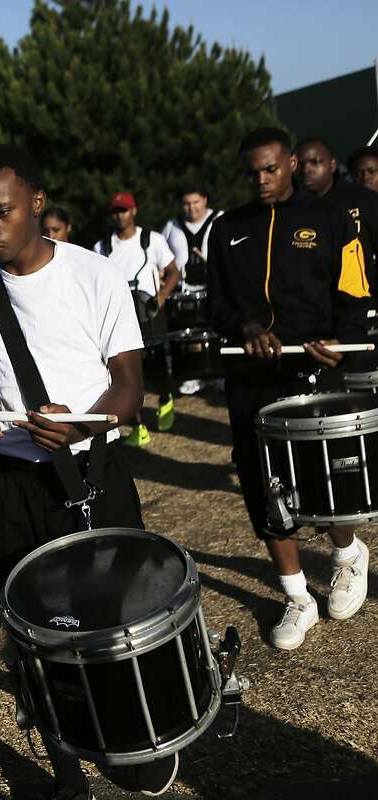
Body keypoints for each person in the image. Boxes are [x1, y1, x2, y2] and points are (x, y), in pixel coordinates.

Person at [0, 144, 173, 799]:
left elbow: (128, 385)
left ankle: (132, 741)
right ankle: (67, 771)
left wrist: (83, 426)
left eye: (2, 211)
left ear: (37, 203)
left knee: (118, 620)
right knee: (34, 638)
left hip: (93, 471)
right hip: (13, 488)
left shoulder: (93, 275)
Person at [208, 127, 371, 652]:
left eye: (270, 169)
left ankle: (347, 555)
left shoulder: (331, 219)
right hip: (250, 376)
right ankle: (297, 596)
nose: (261, 179)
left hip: (314, 372)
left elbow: (355, 294)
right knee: (263, 485)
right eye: (252, 171)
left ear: (292, 164)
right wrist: (245, 328)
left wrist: (342, 344)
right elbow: (216, 304)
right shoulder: (227, 228)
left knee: (323, 476)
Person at [94, 191, 180, 446]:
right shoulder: (102, 247)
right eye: (116, 211)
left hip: (150, 310)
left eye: (124, 210)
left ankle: (165, 397)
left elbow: (173, 271)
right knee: (125, 371)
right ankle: (138, 425)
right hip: (120, 314)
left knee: (157, 364)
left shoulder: (151, 240)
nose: (120, 216)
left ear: (134, 211)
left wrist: (162, 295)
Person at [296, 137, 378, 287]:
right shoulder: (286, 206)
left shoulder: (364, 200)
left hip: (359, 296)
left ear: (332, 165)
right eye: (300, 164)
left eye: (315, 162)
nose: (306, 170)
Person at [161, 186, 223, 293]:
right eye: (187, 204)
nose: (191, 207)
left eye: (196, 202)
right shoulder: (171, 226)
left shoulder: (221, 220)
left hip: (215, 288)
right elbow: (160, 256)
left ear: (205, 200)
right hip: (180, 290)